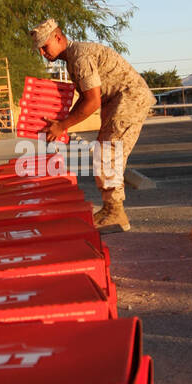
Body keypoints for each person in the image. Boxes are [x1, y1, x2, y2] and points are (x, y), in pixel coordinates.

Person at [30, 18, 155, 231]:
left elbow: (92, 101)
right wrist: (63, 122)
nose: (42, 53)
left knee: (108, 149)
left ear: (58, 38)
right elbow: (87, 97)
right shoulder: (72, 59)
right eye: (39, 50)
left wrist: (62, 126)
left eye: (44, 46)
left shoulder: (79, 57)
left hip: (129, 98)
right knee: (104, 150)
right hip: (118, 100)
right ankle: (111, 209)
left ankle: (115, 212)